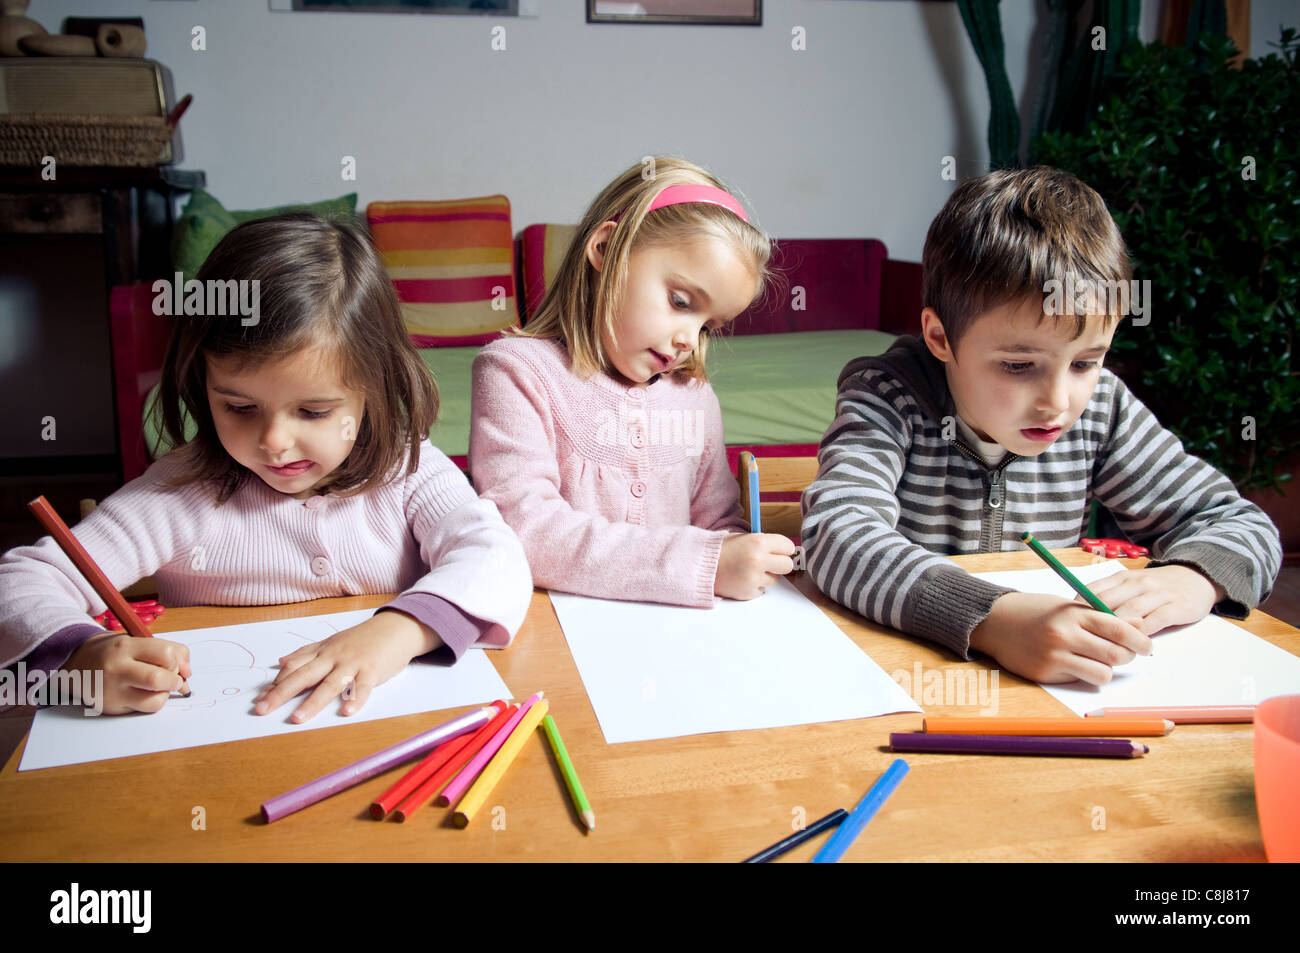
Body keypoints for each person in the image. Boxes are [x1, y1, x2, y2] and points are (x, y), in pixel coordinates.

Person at [0, 214, 531, 719]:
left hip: (390, 733)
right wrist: (81, 656)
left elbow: (497, 558)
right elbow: (21, 582)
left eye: (314, 411)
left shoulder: (408, 470)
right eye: (239, 407)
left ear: (375, 387)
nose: (274, 442)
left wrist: (402, 629)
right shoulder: (178, 494)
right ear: (201, 384)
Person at [803, 166, 1281, 686]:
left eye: (1084, 363)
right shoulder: (886, 395)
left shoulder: (1102, 411)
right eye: (1017, 365)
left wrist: (1195, 578)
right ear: (939, 337)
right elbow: (837, 535)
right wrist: (992, 618)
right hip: (907, 679)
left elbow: (1243, 525)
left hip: (1061, 693)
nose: (1058, 402)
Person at [470, 157, 793, 607]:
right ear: (605, 249)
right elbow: (525, 528)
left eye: (707, 327)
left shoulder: (696, 399)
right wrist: (704, 563)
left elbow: (719, 525)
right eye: (680, 301)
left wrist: (742, 556)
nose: (688, 340)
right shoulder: (516, 372)